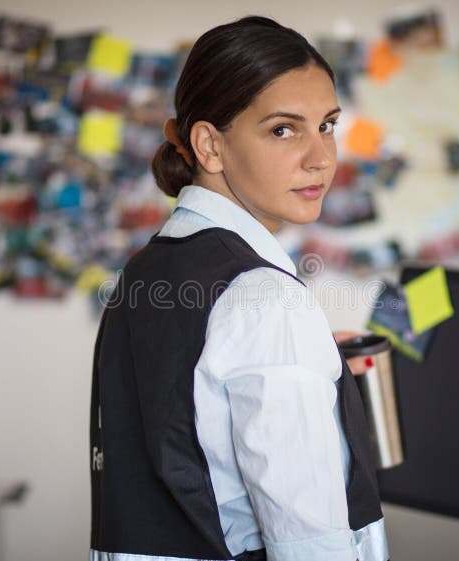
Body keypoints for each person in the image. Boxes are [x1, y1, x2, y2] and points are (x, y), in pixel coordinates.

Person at [90, 16, 389, 561]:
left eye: (326, 125)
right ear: (209, 145)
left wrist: (309, 368)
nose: (321, 157)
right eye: (283, 129)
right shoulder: (267, 301)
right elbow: (310, 548)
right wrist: (292, 355)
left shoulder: (144, 271)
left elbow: (186, 423)